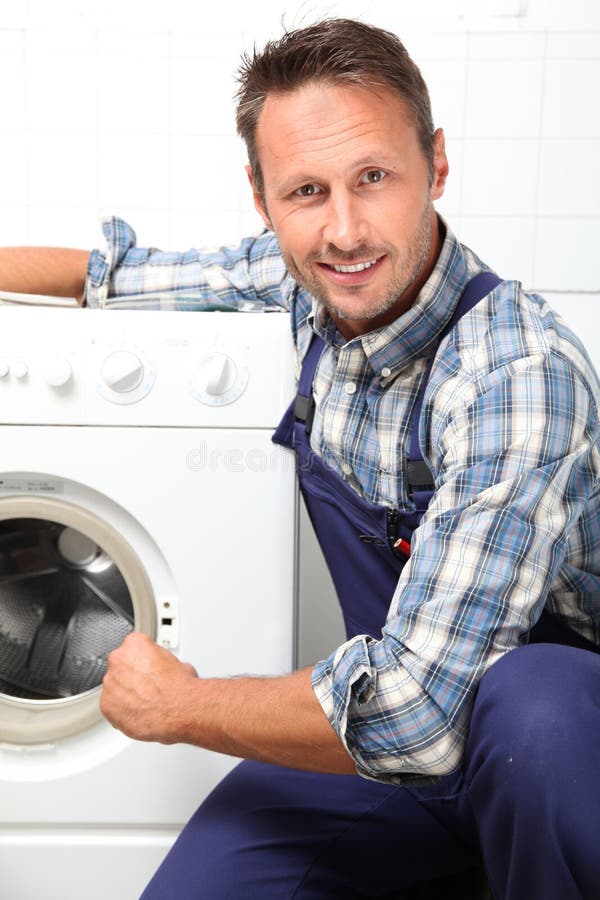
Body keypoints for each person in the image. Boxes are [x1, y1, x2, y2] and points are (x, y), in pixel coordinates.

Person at [2, 18, 600, 900]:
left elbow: (417, 713)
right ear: (263, 196)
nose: (345, 230)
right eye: (307, 191)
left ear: (435, 164)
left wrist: (182, 707)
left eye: (374, 178)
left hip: (550, 763)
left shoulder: (516, 375)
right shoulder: (296, 279)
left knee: (535, 701)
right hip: (392, 749)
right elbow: (112, 274)